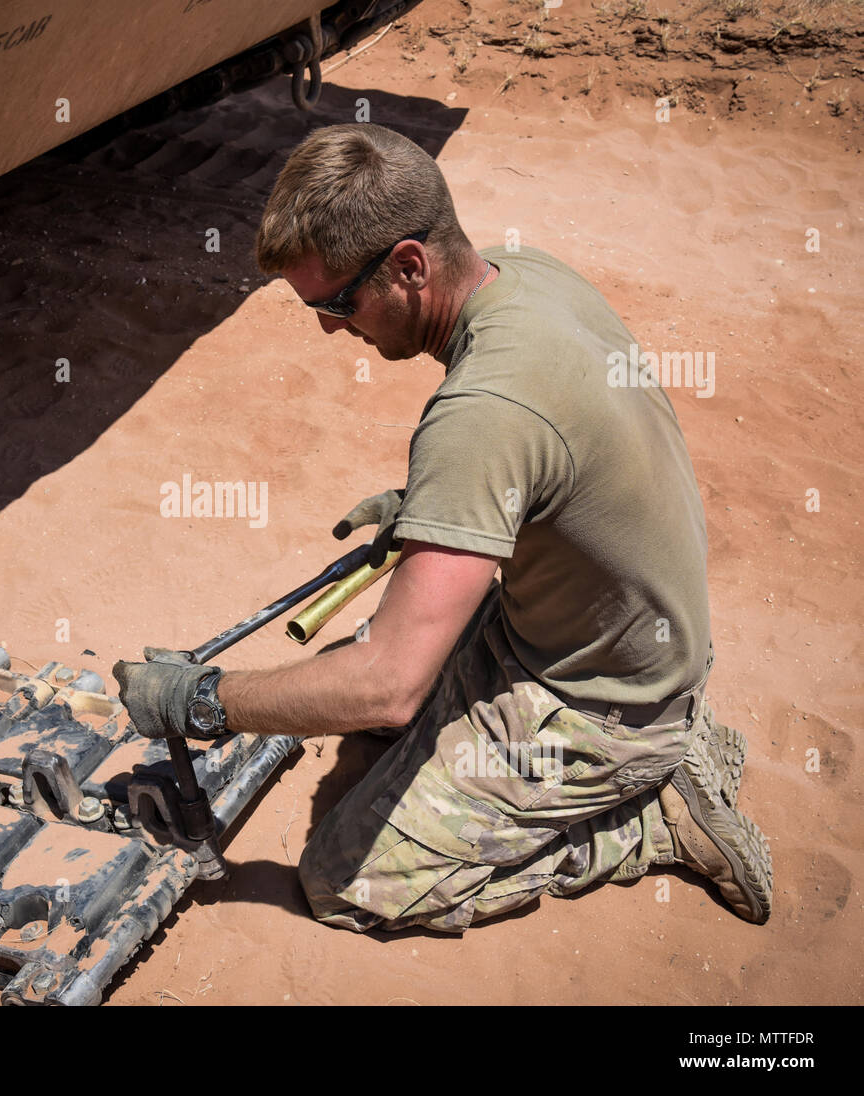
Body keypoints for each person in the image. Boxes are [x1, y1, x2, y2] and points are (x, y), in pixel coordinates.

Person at [112, 123, 772, 932]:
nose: (327, 327)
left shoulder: (481, 414)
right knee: (356, 707)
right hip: (618, 632)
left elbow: (388, 684)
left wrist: (203, 700)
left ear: (409, 266)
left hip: (601, 703)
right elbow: (551, 452)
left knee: (348, 880)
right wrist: (427, 506)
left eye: (335, 303)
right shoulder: (527, 278)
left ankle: (647, 819)